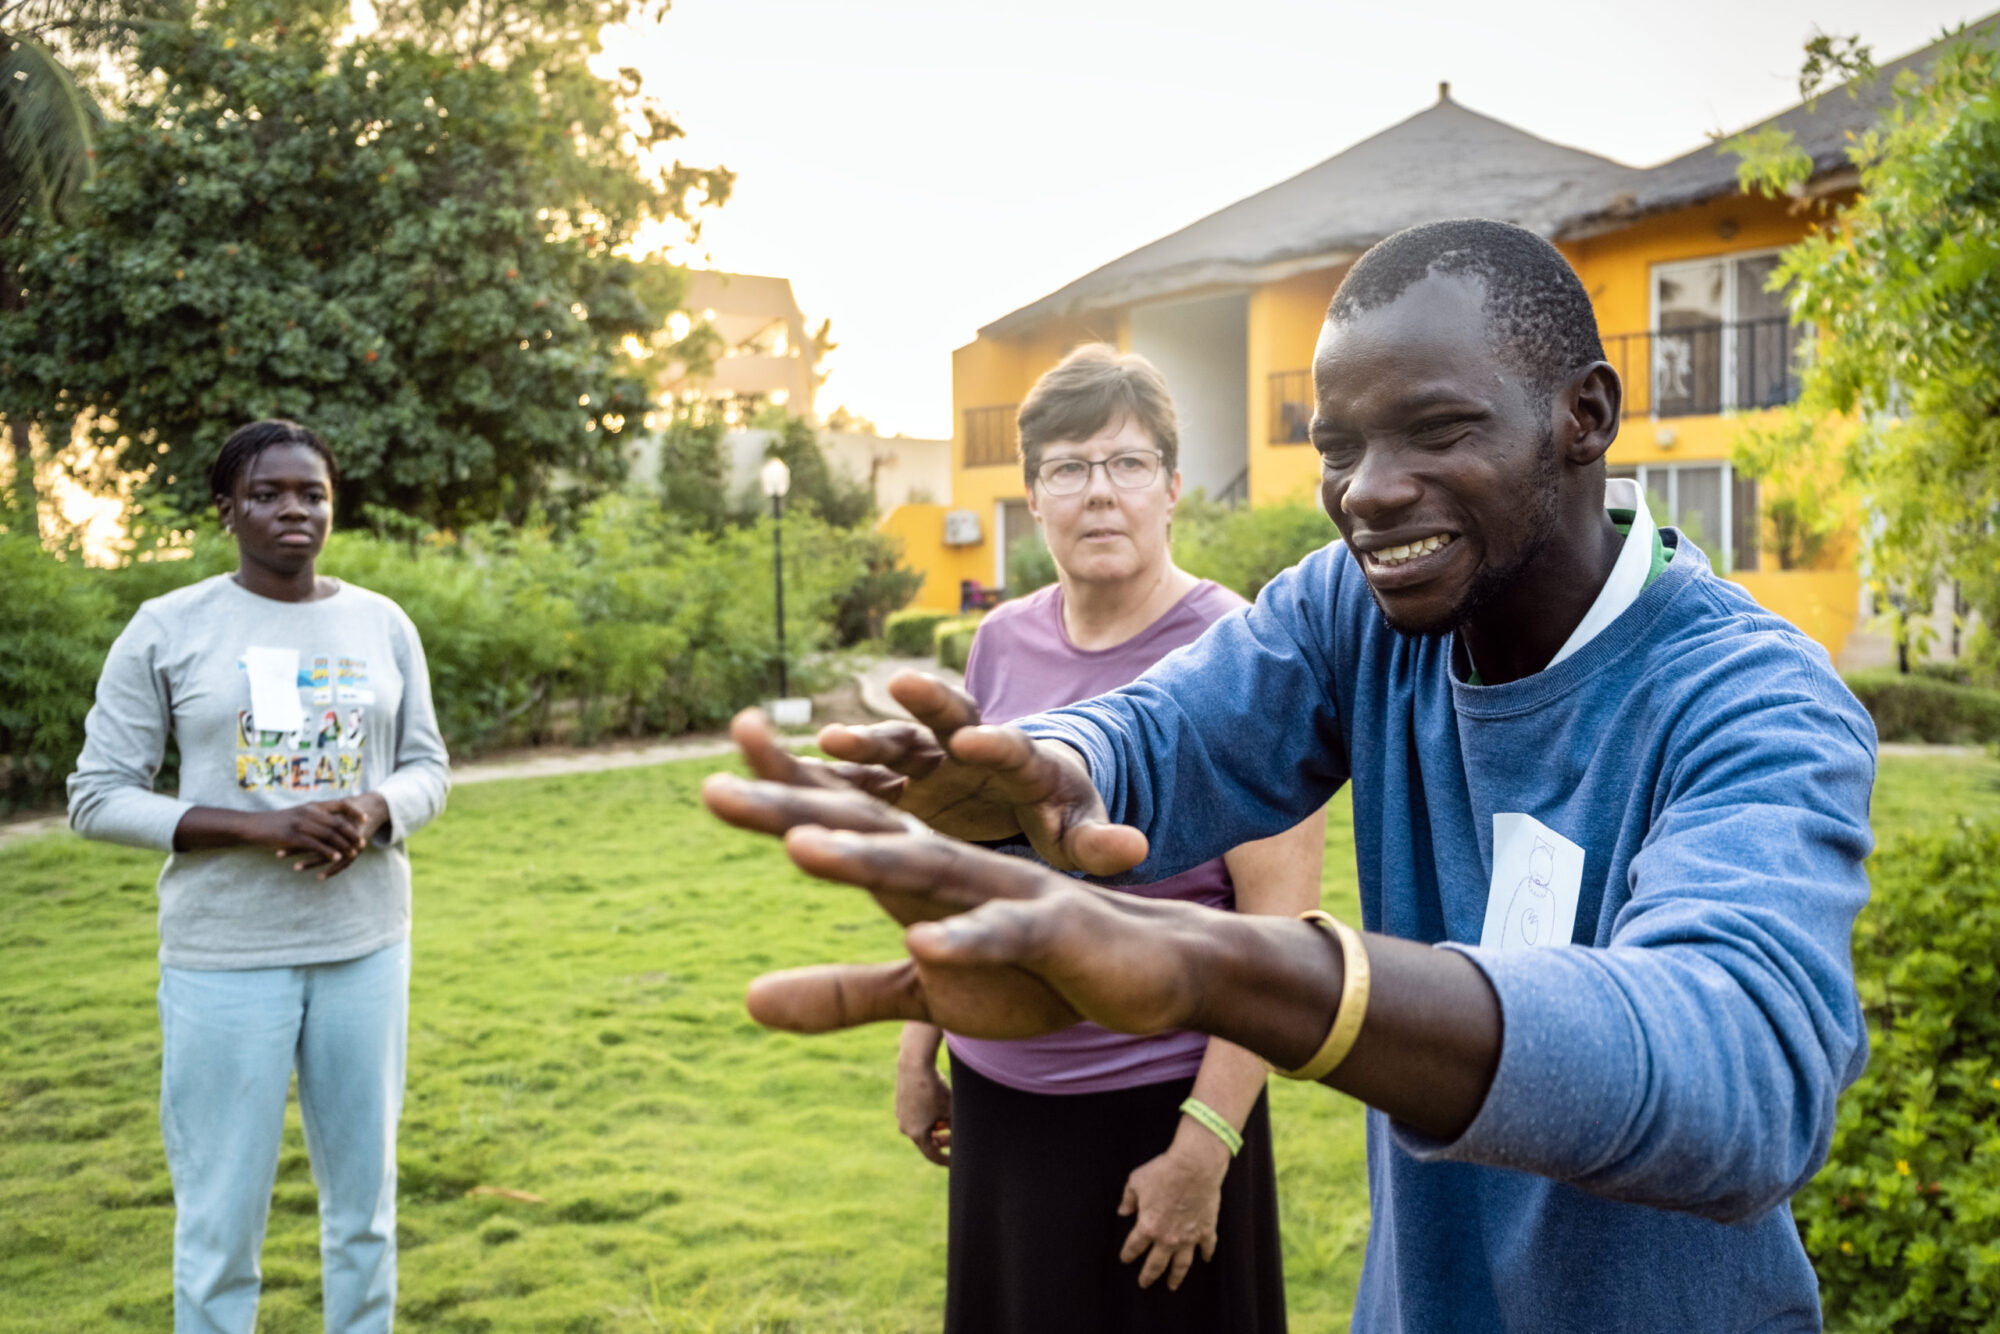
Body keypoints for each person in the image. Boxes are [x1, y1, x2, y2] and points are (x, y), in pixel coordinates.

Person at [704, 219, 1876, 1333]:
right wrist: (1057, 775)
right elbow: (1179, 726)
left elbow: (1743, 1070)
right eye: (1337, 445)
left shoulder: (1752, 697)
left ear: (1582, 414)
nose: (1365, 487)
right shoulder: (1358, 612)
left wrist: (1238, 971)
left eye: (1434, 428)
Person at [891, 345, 1324, 1332]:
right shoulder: (999, 641)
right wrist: (922, 1046)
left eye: (1126, 463)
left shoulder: (1245, 654)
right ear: (1032, 496)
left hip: (1157, 1117)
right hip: (1000, 1109)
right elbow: (959, 871)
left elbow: (1279, 932)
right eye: (1067, 467)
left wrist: (1203, 1144)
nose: (1098, 493)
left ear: (1172, 488)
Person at [69, 420, 450, 1334]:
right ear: (227, 510)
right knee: (219, 1224)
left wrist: (372, 812)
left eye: (312, 494)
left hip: (364, 946)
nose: (294, 510)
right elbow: (95, 797)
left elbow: (428, 768)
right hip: (224, 960)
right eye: (269, 493)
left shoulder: (381, 622)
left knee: (364, 1213)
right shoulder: (169, 627)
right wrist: (256, 826)